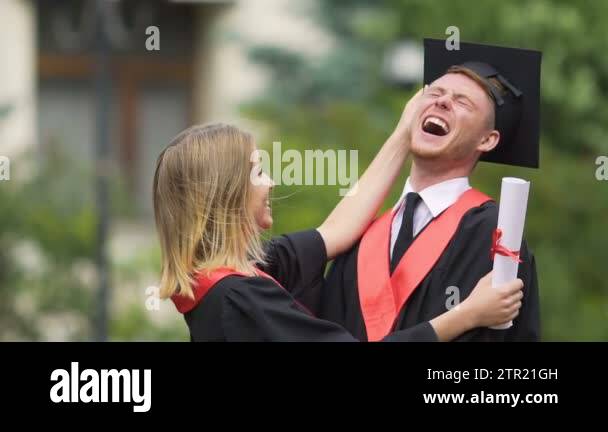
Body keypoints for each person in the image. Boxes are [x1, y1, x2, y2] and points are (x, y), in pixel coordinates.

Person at [153, 118, 524, 342]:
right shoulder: (241, 299)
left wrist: (402, 135)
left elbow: (337, 230)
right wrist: (469, 314)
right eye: (257, 171)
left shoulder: (247, 271)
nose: (270, 181)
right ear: (228, 193)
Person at [320, 39, 541, 342]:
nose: (442, 101)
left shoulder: (495, 236)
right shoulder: (361, 234)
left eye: (463, 102)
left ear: (487, 140)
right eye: (435, 93)